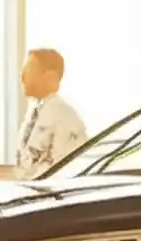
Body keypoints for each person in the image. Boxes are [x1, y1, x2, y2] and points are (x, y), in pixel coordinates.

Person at [16, 48, 88, 179]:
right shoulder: (33, 114)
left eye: (30, 69)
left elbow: (67, 169)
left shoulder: (67, 118)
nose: (23, 75)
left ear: (50, 77)